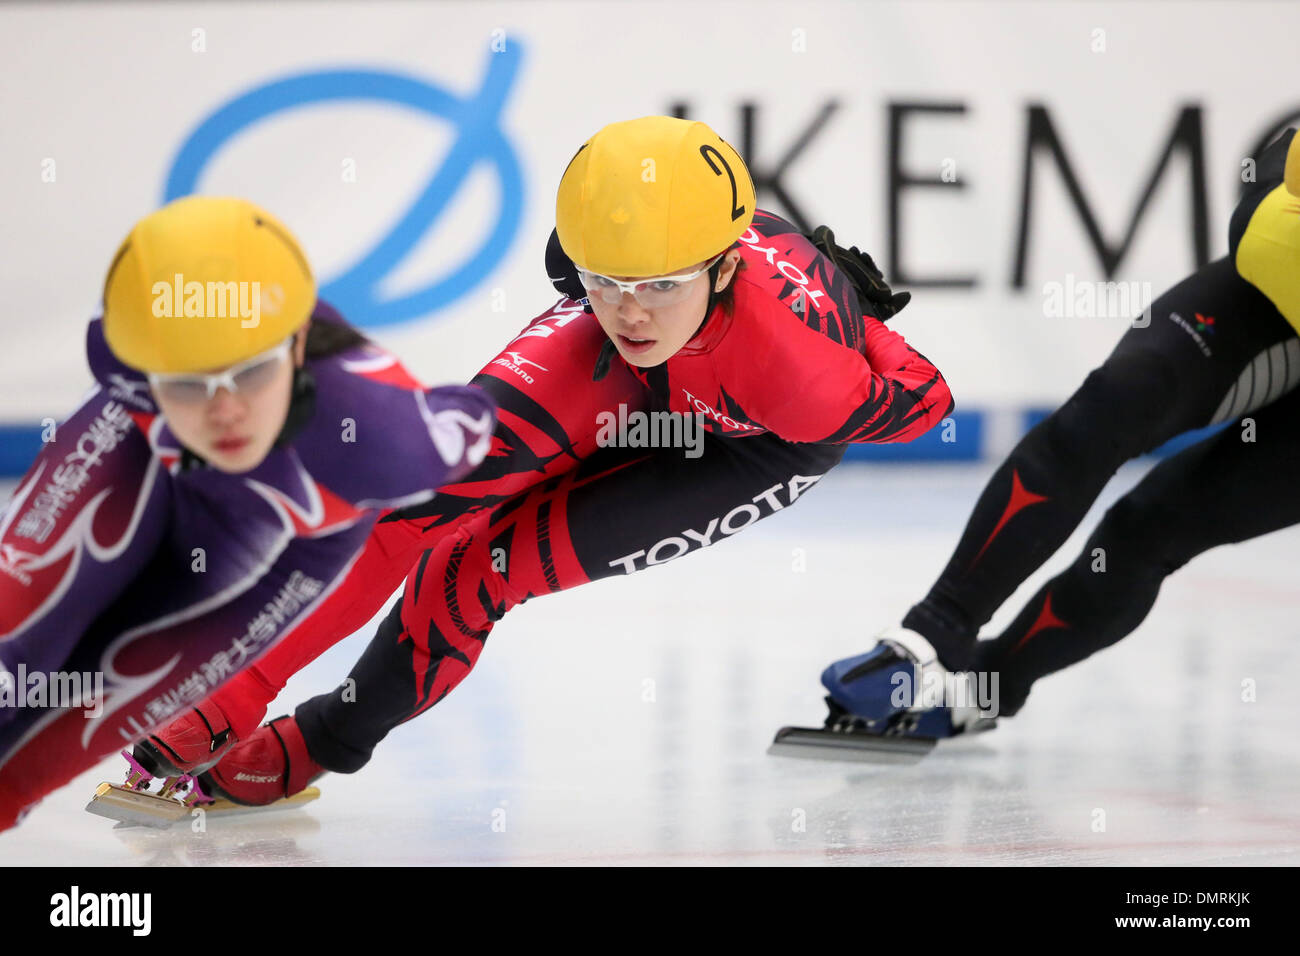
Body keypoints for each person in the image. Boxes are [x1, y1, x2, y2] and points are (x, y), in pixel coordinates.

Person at [133, 114, 957, 806]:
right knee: (423, 499)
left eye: (662, 283)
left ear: (726, 265)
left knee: (480, 571)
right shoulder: (608, 301)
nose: (632, 310)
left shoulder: (807, 376)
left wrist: (862, 314)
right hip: (639, 384)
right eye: (606, 279)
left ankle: (322, 741)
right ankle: (237, 690)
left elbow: (930, 399)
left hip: (752, 441)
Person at [0, 196, 496, 830]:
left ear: (297, 346)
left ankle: (192, 719)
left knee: (111, 696)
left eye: (250, 373)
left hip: (306, 514)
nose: (226, 410)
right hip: (158, 454)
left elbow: (486, 431)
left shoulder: (392, 439)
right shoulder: (122, 367)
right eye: (191, 383)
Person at [821, 127, 1300, 736]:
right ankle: (932, 635)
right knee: (1114, 404)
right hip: (1271, 289)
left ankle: (988, 686)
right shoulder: (1272, 223)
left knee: (1156, 523)